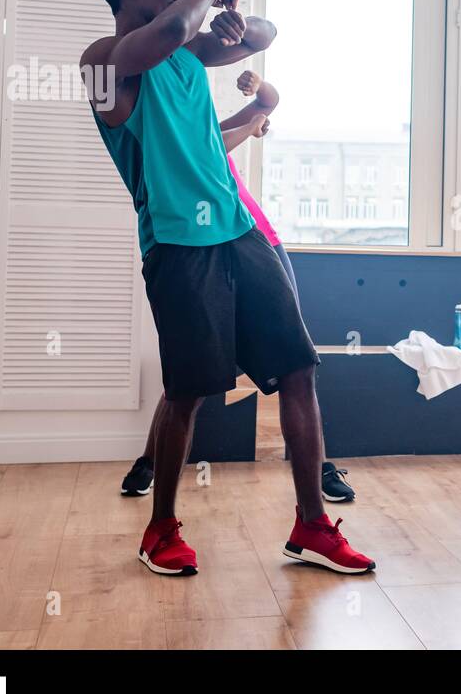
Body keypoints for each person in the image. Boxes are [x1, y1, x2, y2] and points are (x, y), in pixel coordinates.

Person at [81, 0, 373, 576]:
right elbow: (155, 40)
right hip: (177, 245)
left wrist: (238, 16)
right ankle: (160, 529)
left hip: (240, 234)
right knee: (187, 392)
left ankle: (312, 527)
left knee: (298, 369)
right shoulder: (104, 60)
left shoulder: (187, 50)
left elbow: (264, 36)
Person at [119, 69, 355, 503]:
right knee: (190, 374)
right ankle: (150, 462)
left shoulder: (207, 125)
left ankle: (320, 469)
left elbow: (270, 100)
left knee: (295, 361)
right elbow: (214, 148)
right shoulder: (175, 139)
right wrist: (251, 127)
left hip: (259, 241)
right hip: (203, 249)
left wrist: (258, 86)